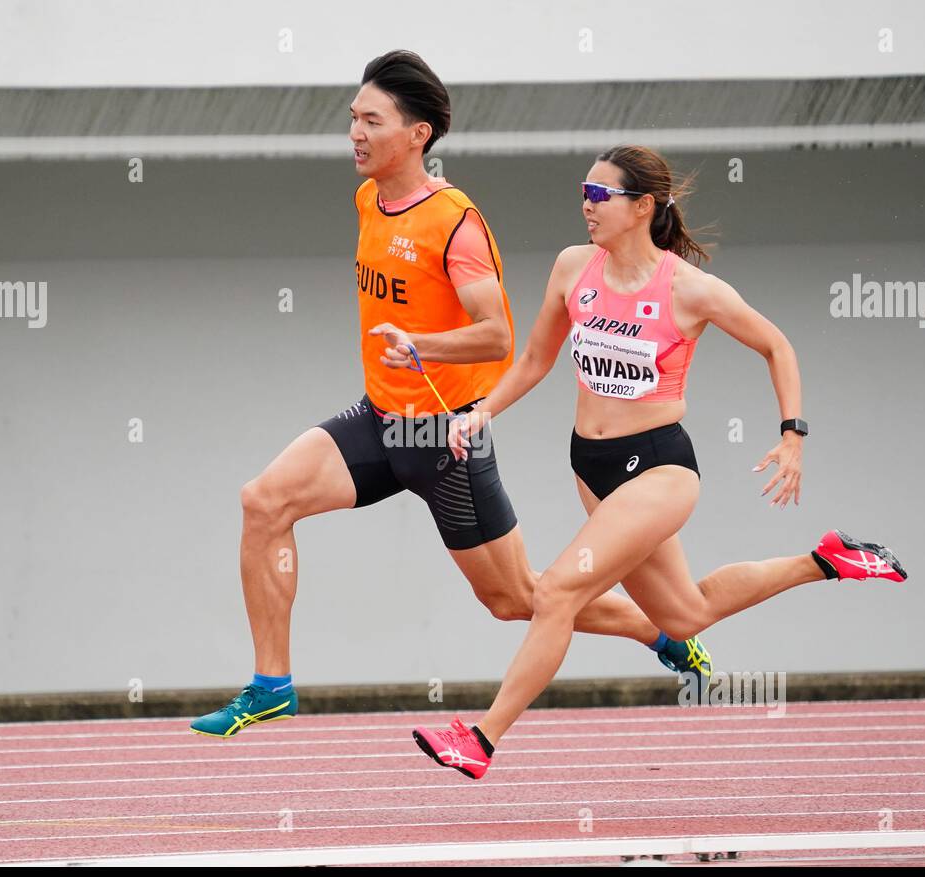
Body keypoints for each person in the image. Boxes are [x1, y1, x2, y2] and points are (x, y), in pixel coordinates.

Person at [190, 54, 711, 739]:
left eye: (371, 120)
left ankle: (659, 632)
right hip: (381, 422)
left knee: (516, 598)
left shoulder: (456, 224)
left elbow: (498, 337)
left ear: (418, 134)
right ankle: (271, 686)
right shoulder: (367, 198)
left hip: (444, 439)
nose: (355, 132)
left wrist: (421, 345)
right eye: (353, 118)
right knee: (264, 502)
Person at [413, 145, 907, 778]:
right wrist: (482, 412)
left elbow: (776, 345)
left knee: (557, 591)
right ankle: (826, 560)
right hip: (590, 464)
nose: (585, 206)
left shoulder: (689, 289)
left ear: (641, 206)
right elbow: (535, 360)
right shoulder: (572, 268)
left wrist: (793, 435)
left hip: (659, 469)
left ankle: (480, 739)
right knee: (684, 614)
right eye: (582, 193)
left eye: (598, 196)